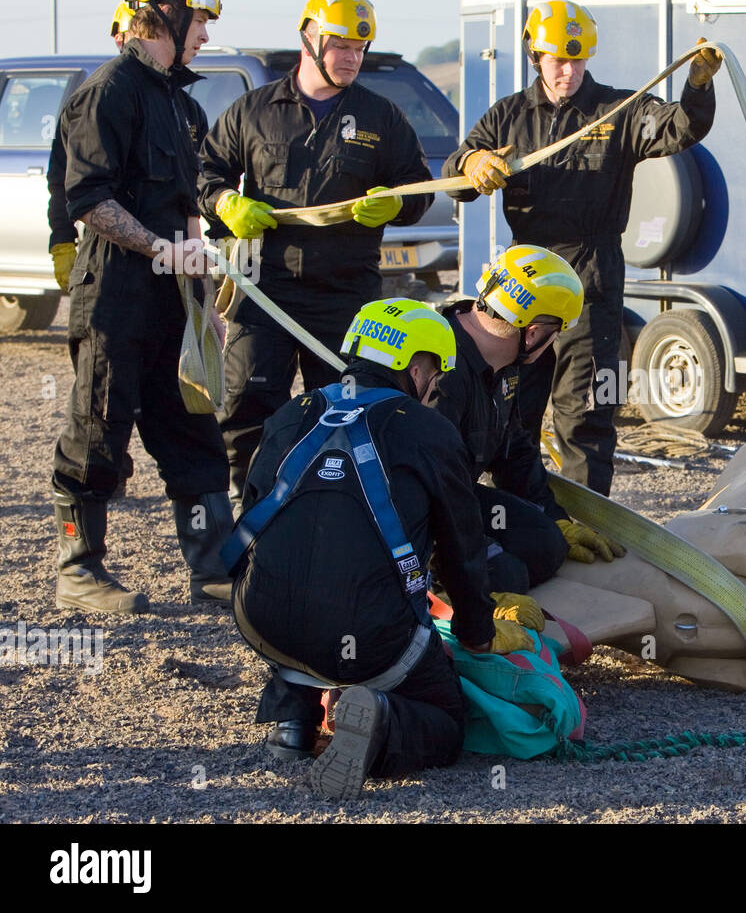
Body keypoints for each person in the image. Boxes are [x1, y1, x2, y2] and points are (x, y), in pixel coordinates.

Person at [225, 298, 543, 798]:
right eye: (435, 373)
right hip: (368, 639)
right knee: (443, 719)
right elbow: (461, 549)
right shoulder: (427, 430)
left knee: (305, 586)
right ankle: (383, 719)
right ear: (416, 366)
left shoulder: (292, 412)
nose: (436, 385)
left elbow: (256, 520)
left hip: (261, 623)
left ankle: (294, 723)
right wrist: (477, 631)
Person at [443, 0, 721, 497]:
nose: (569, 71)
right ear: (534, 55)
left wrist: (697, 86)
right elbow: (455, 178)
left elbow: (681, 127)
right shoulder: (507, 116)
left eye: (578, 60)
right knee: (510, 415)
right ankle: (517, 523)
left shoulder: (621, 110)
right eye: (557, 60)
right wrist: (472, 162)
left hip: (591, 279)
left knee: (586, 414)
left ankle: (581, 527)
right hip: (520, 285)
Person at [199, 0, 435, 515]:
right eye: (341, 46)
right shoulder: (254, 111)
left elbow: (418, 188)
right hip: (266, 294)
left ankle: (334, 518)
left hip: (347, 297)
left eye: (360, 47)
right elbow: (205, 171)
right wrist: (225, 201)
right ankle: (250, 513)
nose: (352, 57)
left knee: (347, 412)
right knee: (247, 407)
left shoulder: (382, 117)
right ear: (309, 38)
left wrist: (395, 204)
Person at [52, 0, 232, 615]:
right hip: (114, 296)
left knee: (191, 429)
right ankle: (79, 568)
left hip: (170, 301)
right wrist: (160, 249)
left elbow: (189, 208)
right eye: (203, 21)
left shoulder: (179, 103)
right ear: (168, 11)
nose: (207, 37)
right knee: (98, 427)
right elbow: (89, 200)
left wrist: (204, 302)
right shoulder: (108, 91)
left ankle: (213, 569)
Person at [424, 245, 625, 598]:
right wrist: (472, 585)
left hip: (453, 496)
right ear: (533, 333)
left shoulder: (500, 365)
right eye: (556, 332)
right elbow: (424, 493)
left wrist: (555, 516)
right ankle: (431, 590)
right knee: (507, 577)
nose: (553, 343)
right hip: (411, 517)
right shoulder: (442, 375)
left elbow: (514, 449)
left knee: (545, 546)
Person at [48, 1, 137, 497]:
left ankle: (113, 463)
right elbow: (61, 185)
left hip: (144, 272)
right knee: (98, 388)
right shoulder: (93, 99)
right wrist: (61, 242)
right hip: (102, 264)